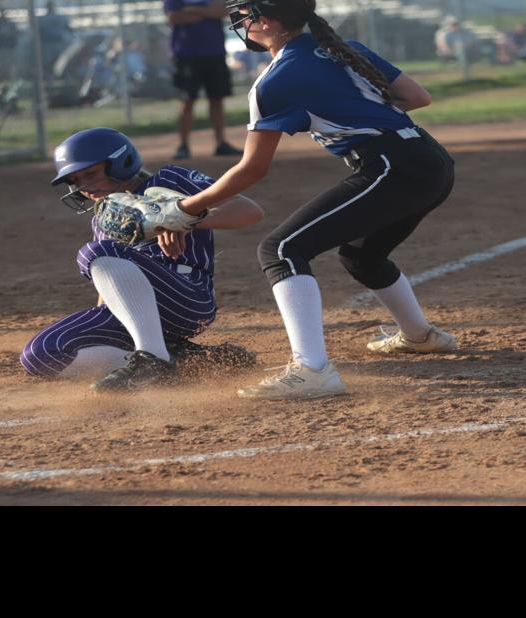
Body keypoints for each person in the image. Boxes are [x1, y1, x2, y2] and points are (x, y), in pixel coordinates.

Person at [155, 0, 457, 399]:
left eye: (246, 15)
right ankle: (420, 336)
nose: (241, 23)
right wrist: (355, 111)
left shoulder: (274, 82)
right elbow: (417, 97)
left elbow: (252, 170)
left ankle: (312, 370)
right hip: (430, 160)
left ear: (266, 22)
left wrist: (184, 208)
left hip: (391, 167)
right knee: (361, 256)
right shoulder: (341, 47)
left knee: (280, 249)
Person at [23, 128, 265, 391]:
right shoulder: (104, 217)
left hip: (185, 298)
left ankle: (155, 360)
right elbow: (110, 282)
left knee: (95, 251)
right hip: (136, 315)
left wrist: (185, 221)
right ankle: (182, 360)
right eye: (76, 180)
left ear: (121, 161)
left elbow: (250, 211)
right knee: (40, 354)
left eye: (91, 174)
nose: (85, 187)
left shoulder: (168, 180)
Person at [164, 0, 240, 159]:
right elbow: (174, 18)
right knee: (187, 101)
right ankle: (183, 145)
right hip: (186, 55)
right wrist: (207, 12)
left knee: (217, 99)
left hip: (215, 53)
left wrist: (193, 10)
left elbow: (222, 11)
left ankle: (221, 143)